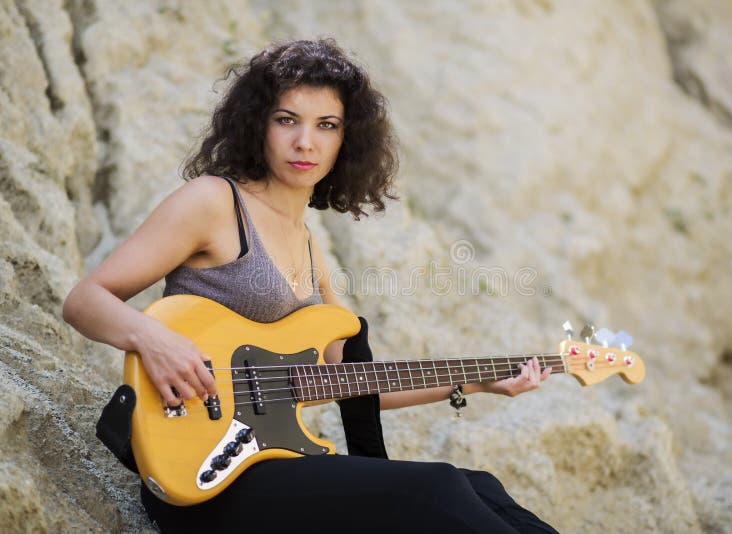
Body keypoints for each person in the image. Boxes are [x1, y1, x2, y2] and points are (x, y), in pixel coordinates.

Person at [63, 39, 558, 533]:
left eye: (327, 126)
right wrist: (152, 339)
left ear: (348, 141)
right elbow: (85, 299)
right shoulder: (214, 202)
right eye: (286, 120)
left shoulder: (307, 244)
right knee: (439, 489)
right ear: (257, 123)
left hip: (268, 463)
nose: (306, 142)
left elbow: (352, 385)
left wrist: (477, 382)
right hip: (203, 475)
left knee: (481, 488)